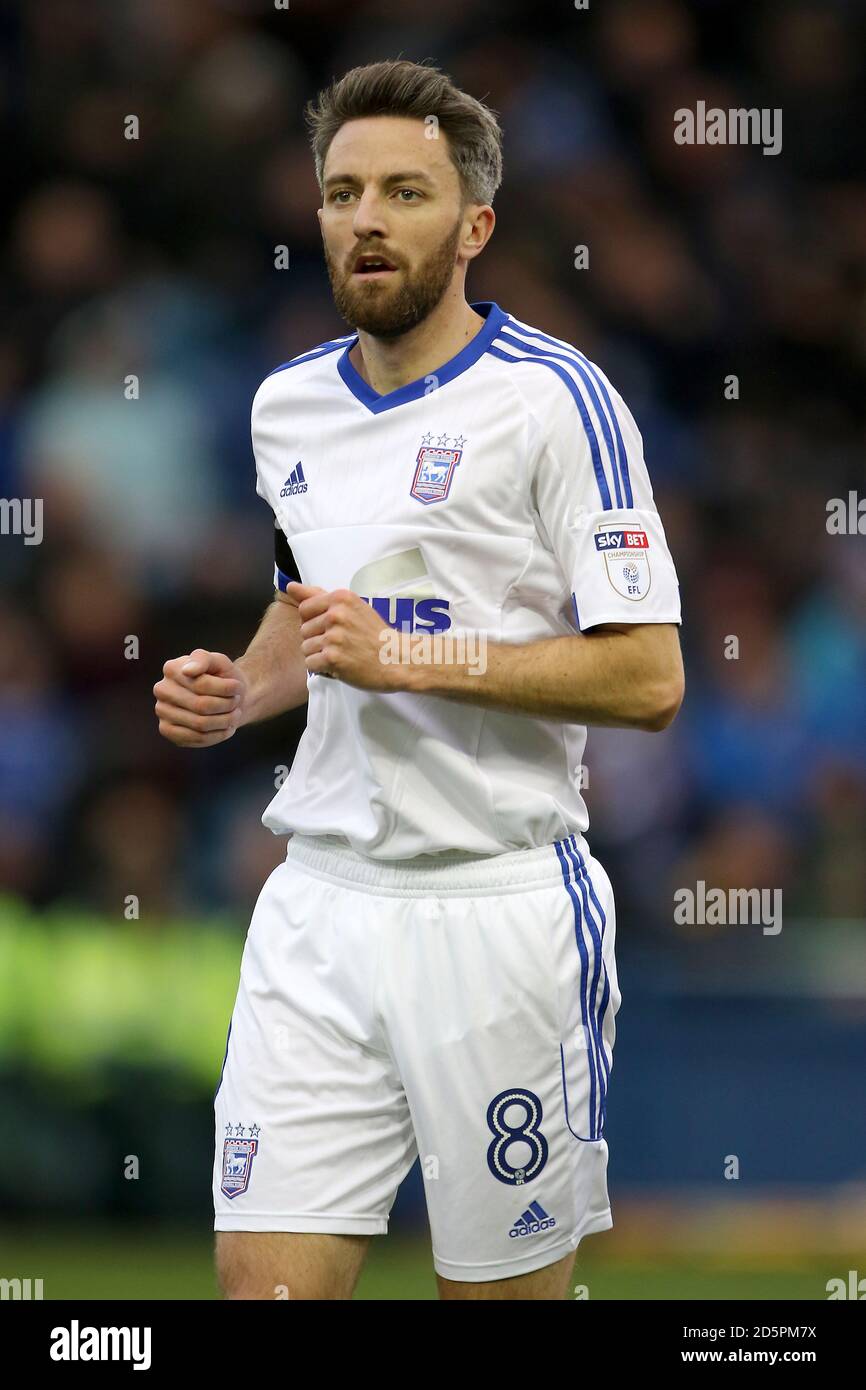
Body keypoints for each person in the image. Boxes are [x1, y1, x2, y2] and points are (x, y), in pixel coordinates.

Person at [153, 58, 684, 1301]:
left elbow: (649, 675)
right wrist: (237, 689)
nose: (368, 220)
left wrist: (415, 659)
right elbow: (315, 609)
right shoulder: (286, 406)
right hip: (320, 903)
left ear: (474, 225)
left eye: (404, 191)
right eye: (342, 193)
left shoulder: (560, 403)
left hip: (497, 910)